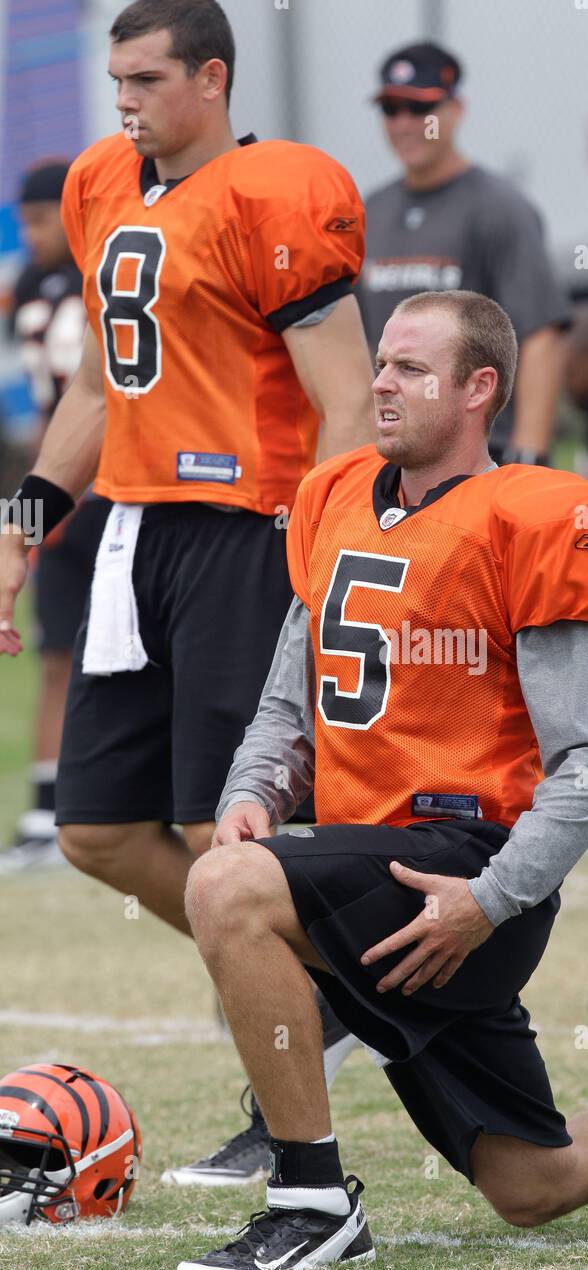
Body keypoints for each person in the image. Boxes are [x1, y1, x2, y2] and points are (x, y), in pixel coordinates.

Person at [170, 291, 588, 1270]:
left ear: (477, 389)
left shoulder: (528, 516)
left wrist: (488, 901)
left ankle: (310, 1197)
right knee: (533, 1180)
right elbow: (290, 703)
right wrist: (255, 794)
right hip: (379, 871)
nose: (380, 382)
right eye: (381, 363)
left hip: (465, 868)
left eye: (410, 368)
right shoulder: (331, 496)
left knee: (223, 890)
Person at [0, 0, 374, 1185]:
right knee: (100, 828)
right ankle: (316, 987)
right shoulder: (104, 182)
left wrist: (328, 559)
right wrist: (27, 517)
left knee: (228, 834)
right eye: (114, 77)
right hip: (131, 529)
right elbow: (107, 385)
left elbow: (350, 404)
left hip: (249, 529)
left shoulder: (278, 193)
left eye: (148, 78)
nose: (123, 99)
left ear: (211, 78)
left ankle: (292, 1107)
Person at [357, 41, 570, 468]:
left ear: (456, 110)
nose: (404, 123)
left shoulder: (497, 207)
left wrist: (528, 455)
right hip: (396, 454)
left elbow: (542, 334)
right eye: (391, 109)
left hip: (477, 456)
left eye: (420, 109)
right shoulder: (370, 211)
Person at [0, 161, 111, 874]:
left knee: (90, 653)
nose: (35, 235)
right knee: (57, 652)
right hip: (69, 483)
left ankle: (75, 807)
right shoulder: (60, 281)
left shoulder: (77, 276)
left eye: (43, 220)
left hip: (91, 487)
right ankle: (49, 808)